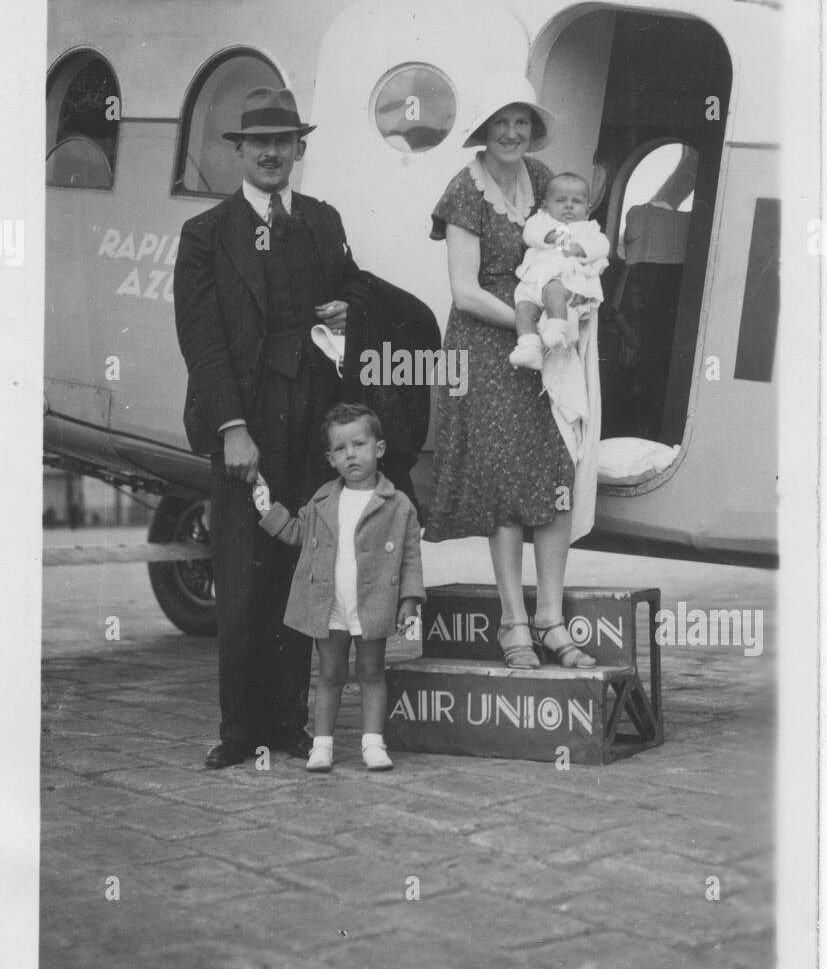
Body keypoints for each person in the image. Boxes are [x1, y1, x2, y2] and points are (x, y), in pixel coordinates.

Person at [173, 86, 359, 768]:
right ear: (240, 152)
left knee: (297, 575)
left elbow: (353, 285)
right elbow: (202, 339)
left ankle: (286, 724)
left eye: (284, 141)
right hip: (243, 424)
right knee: (243, 578)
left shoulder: (321, 220)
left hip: (309, 421)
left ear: (299, 149)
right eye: (260, 143)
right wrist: (231, 427)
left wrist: (347, 310)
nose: (273, 152)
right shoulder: (205, 235)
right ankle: (239, 732)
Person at [424, 71, 597, 671]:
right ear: (483, 129)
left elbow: (571, 248)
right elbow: (465, 292)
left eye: (521, 122)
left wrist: (569, 303)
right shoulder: (463, 190)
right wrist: (529, 327)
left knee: (553, 469)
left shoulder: (544, 179)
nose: (512, 132)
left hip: (544, 341)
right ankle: (512, 620)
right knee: (502, 479)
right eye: (501, 122)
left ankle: (550, 618)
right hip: (485, 342)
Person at [253, 403, 425, 773]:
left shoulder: (398, 505)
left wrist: (410, 600)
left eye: (359, 444)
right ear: (330, 459)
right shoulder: (321, 501)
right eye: (341, 449)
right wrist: (268, 509)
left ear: (378, 449)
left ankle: (373, 744)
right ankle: (322, 746)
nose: (351, 454)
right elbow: (297, 533)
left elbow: (411, 555)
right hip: (329, 602)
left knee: (371, 671)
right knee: (330, 673)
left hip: (372, 602)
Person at [509, 171, 609, 368]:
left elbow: (602, 244)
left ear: (588, 210)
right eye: (560, 200)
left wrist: (581, 249)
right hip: (535, 281)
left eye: (577, 201)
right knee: (522, 308)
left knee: (553, 290)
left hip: (568, 280)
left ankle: (557, 328)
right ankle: (529, 348)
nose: (569, 205)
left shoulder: (588, 228)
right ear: (546, 205)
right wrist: (548, 236)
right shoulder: (541, 222)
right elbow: (529, 235)